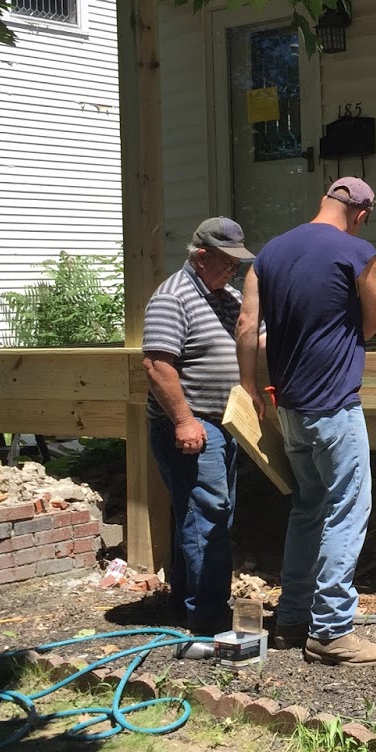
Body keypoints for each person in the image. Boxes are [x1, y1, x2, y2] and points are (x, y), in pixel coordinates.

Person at [244, 177, 376, 666]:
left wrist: (249, 387)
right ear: (361, 213)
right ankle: (331, 631)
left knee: (307, 508)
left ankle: (290, 620)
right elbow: (373, 322)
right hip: (335, 406)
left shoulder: (268, 254)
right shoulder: (358, 252)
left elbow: (246, 325)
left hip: (290, 409)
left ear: (324, 201)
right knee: (346, 511)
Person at [141, 217, 259, 634]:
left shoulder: (224, 296)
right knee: (206, 518)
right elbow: (157, 366)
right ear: (201, 256)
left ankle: (182, 608)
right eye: (227, 263)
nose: (234, 271)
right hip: (193, 427)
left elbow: (253, 336)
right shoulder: (172, 297)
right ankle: (208, 621)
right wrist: (185, 420)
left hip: (224, 426)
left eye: (237, 264)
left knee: (204, 517)